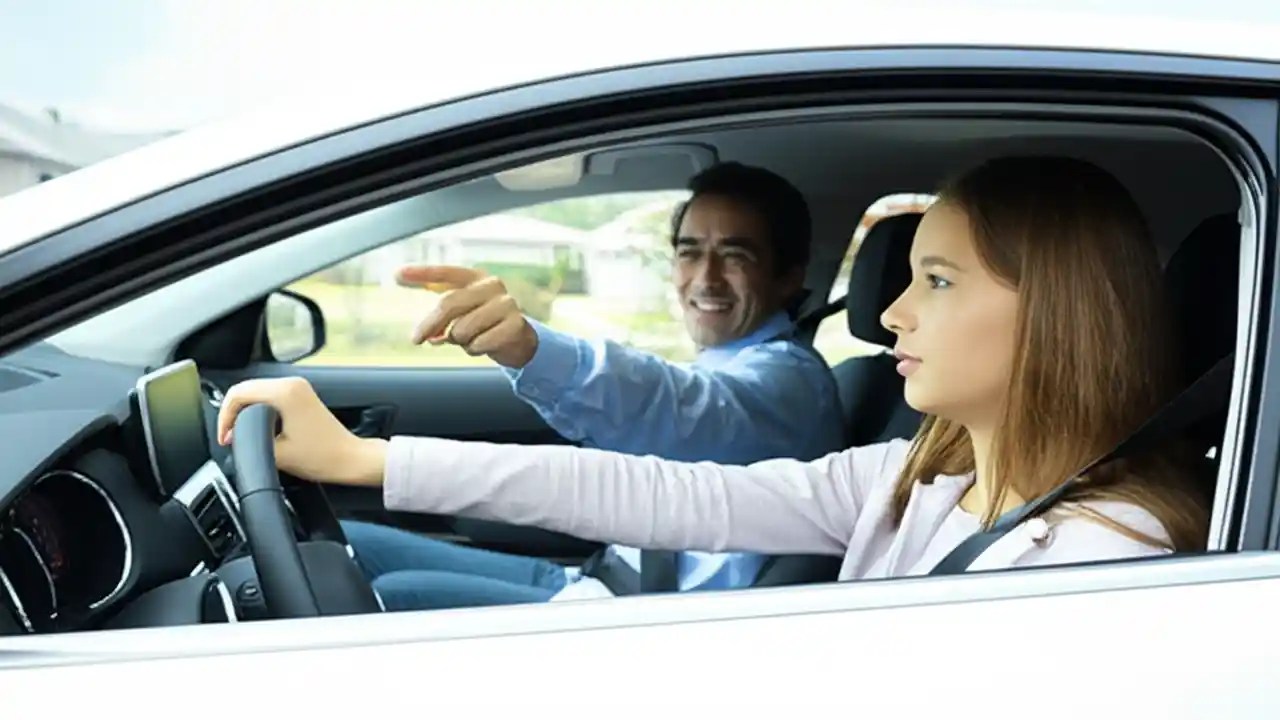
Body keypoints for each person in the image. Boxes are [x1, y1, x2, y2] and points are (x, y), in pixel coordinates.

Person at [218, 156, 1211, 592]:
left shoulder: (1094, 560)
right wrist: (369, 461)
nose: (893, 314)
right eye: (903, 279)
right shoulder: (912, 479)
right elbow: (661, 491)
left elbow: (674, 414)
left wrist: (526, 349)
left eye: (936, 281)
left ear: (1057, 316)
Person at [337, 162, 846, 609]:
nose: (706, 278)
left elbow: (680, 407)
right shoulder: (736, 359)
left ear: (787, 277)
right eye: (690, 252)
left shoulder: (789, 383)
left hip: (654, 617)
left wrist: (530, 347)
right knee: (349, 542)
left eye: (736, 256)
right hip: (602, 577)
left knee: (401, 594)